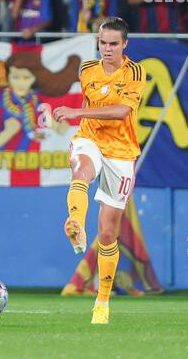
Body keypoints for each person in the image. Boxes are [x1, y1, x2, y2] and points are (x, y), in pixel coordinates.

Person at [51, 17, 148, 324]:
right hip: (90, 138)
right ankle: (76, 225)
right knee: (80, 170)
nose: (107, 49)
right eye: (103, 43)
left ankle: (102, 302)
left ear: (125, 45)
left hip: (121, 151)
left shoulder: (135, 71)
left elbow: (121, 112)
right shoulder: (87, 70)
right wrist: (81, 120)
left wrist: (76, 111)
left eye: (113, 44)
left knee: (107, 233)